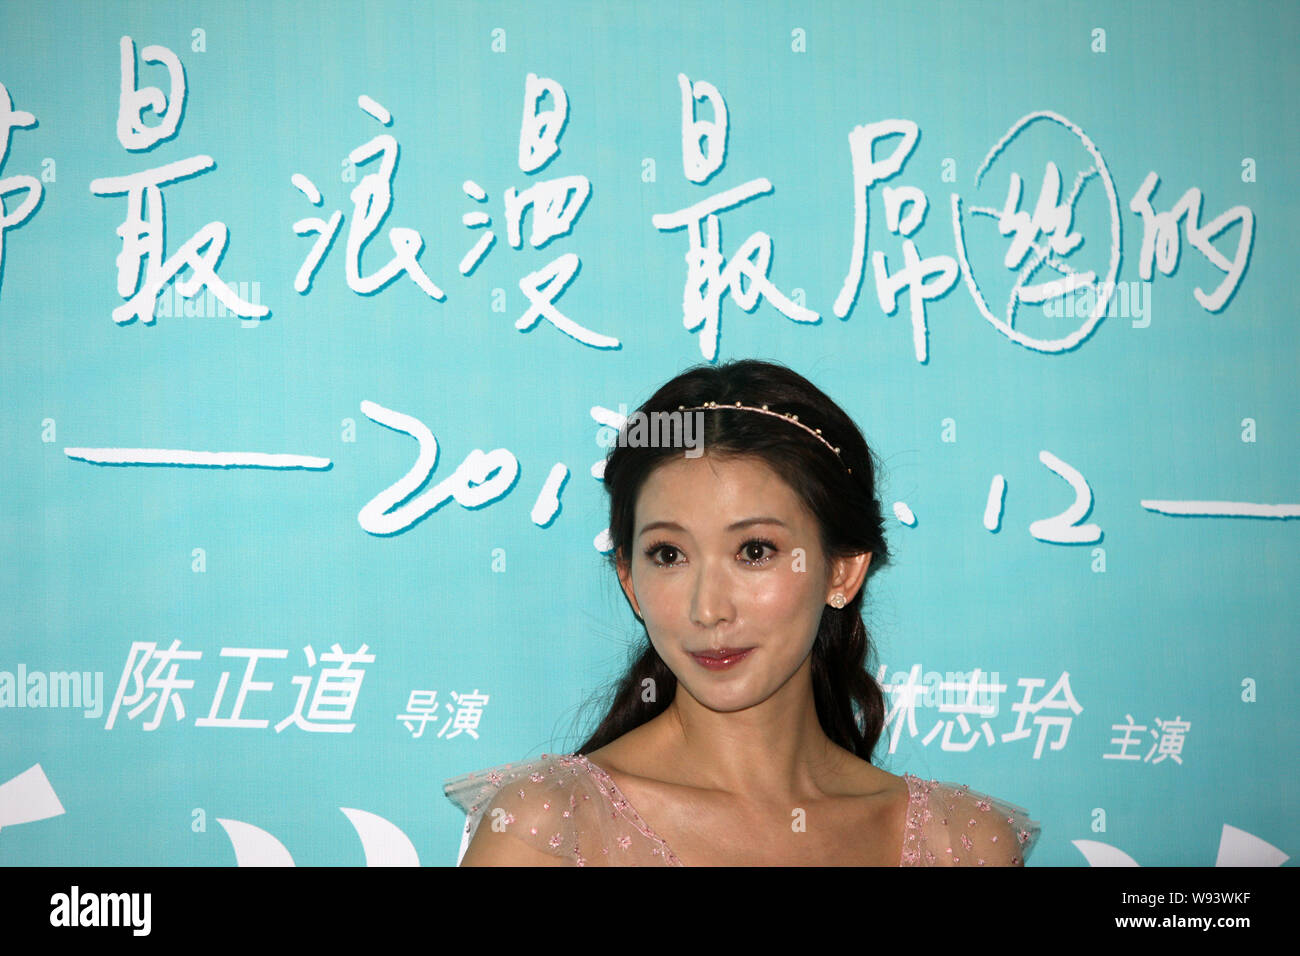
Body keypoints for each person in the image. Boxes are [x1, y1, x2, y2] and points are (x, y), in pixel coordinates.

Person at [444, 359, 1040, 866]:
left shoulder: (960, 845)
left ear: (842, 570)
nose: (709, 609)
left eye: (755, 551)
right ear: (630, 580)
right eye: (669, 554)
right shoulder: (548, 829)